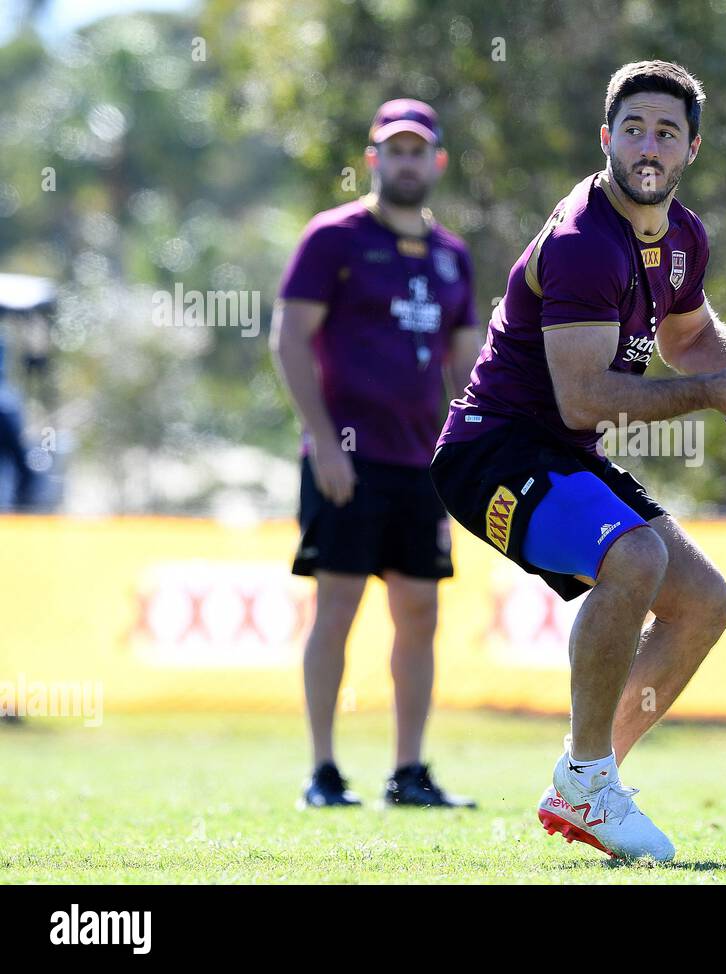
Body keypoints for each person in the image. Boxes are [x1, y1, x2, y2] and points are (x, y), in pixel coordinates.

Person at [429, 61, 726, 860]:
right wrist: (716, 393)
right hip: (489, 450)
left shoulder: (684, 238)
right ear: (607, 137)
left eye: (667, 131)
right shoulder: (581, 242)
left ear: (691, 148)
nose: (648, 144)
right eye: (633, 127)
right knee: (632, 555)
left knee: (705, 603)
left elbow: (691, 339)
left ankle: (582, 787)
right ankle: (594, 781)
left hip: (559, 452)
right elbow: (584, 400)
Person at [272, 99, 481, 810]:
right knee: (337, 606)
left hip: (422, 464)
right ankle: (324, 772)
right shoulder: (333, 238)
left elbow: (466, 365)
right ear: (373, 159)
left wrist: (470, 458)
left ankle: (408, 772)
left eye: (418, 149)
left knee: (420, 611)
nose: (406, 160)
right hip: (346, 459)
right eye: (394, 149)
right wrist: (325, 443)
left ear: (437, 162)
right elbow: (290, 339)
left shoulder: (453, 255)